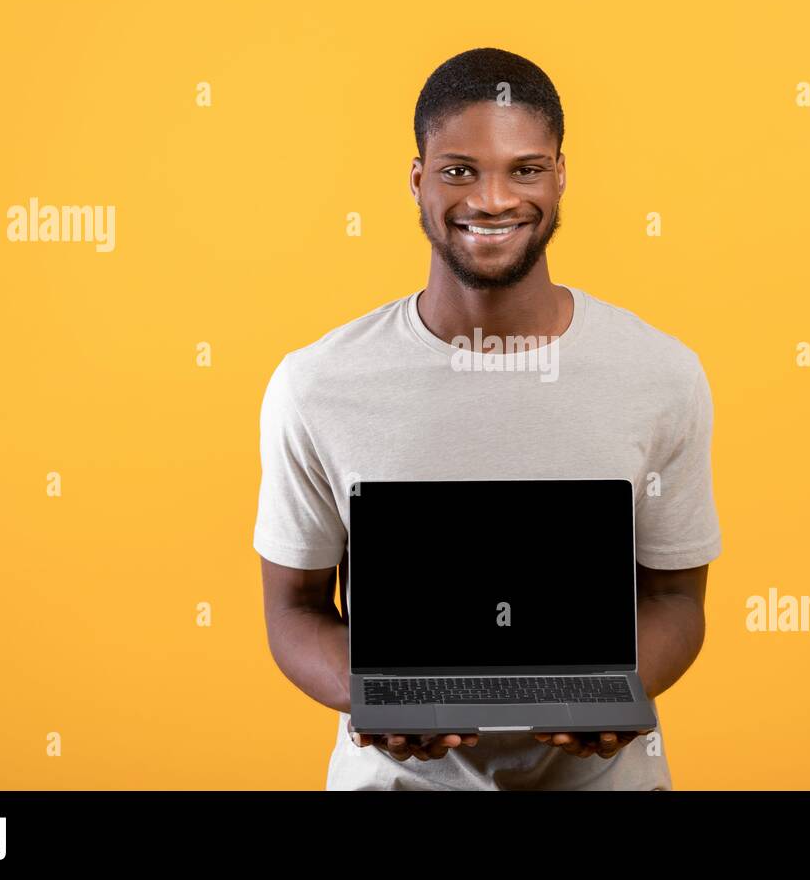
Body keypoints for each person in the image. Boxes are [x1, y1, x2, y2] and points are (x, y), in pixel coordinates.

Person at [255, 47, 721, 789]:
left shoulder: (660, 374)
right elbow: (293, 610)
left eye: (526, 169)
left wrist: (620, 692)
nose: (494, 199)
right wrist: (377, 695)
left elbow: (674, 600)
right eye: (460, 170)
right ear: (418, 180)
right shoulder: (317, 384)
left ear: (561, 175)